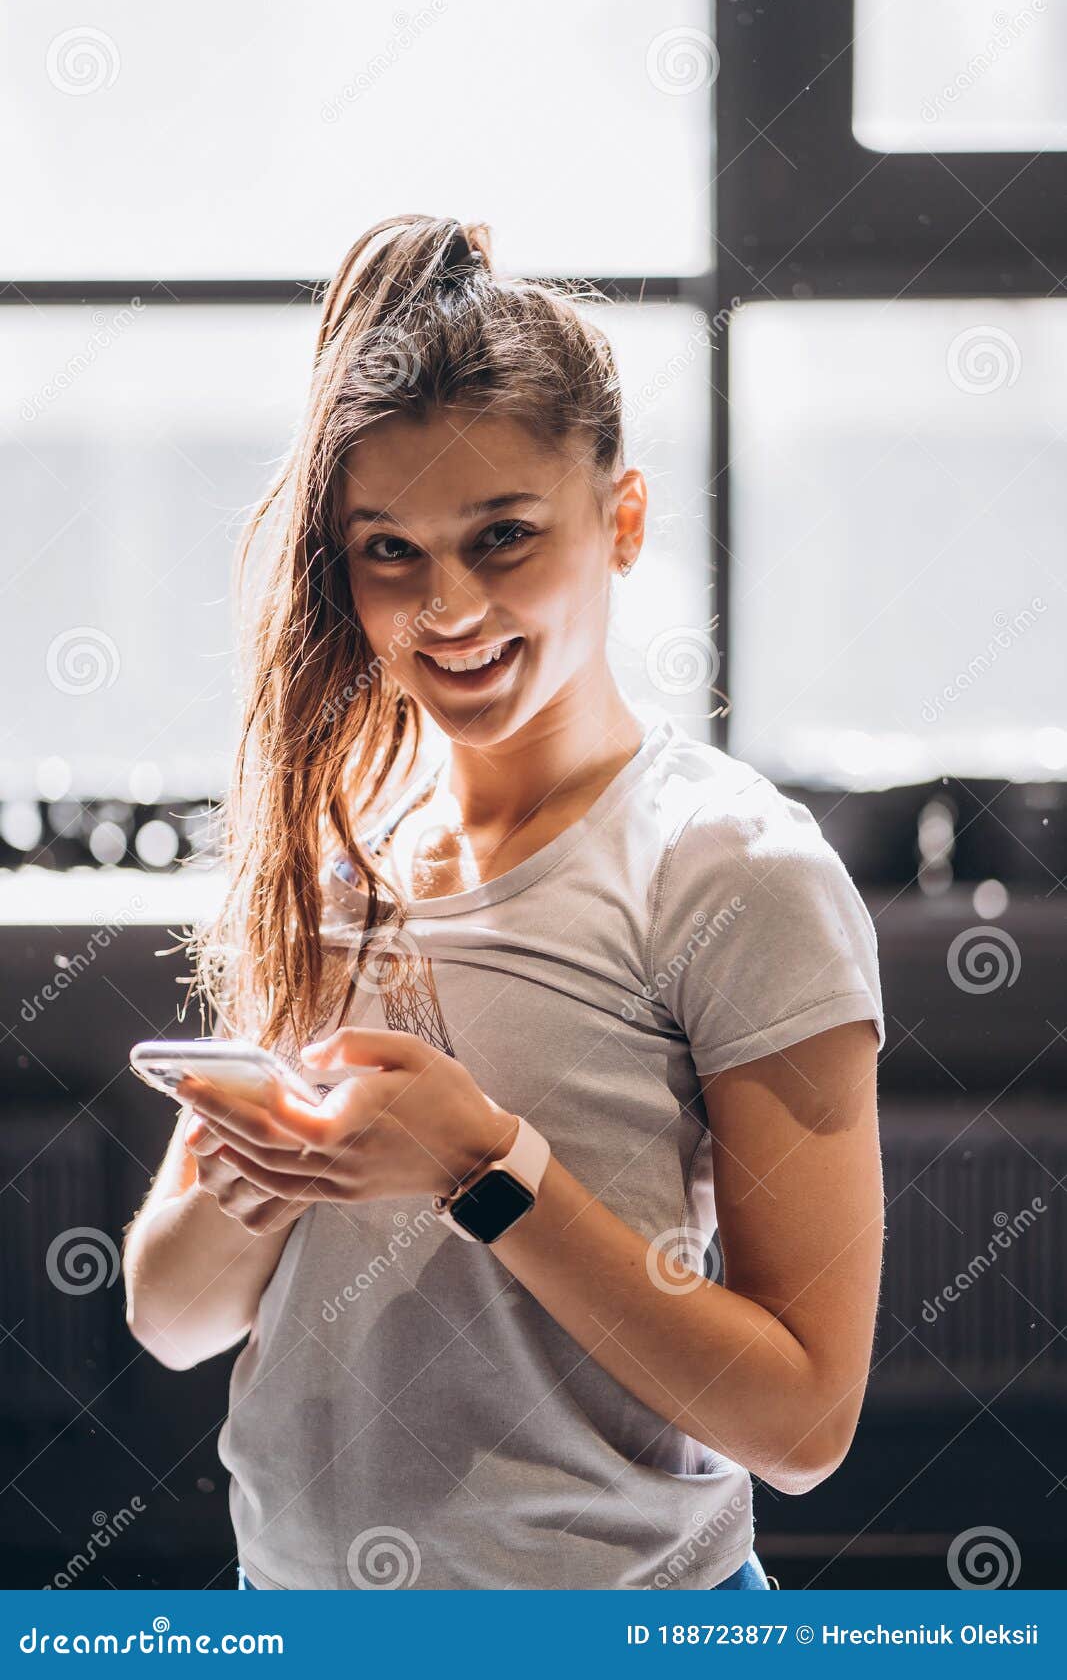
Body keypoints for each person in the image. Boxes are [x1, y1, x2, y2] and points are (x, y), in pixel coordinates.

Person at [123, 214, 885, 1592]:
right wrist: (267, 1168)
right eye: (389, 550)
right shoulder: (335, 846)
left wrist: (488, 1168)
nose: (446, 605)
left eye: (502, 535)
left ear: (624, 521)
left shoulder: (733, 867)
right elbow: (172, 1314)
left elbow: (805, 1418)